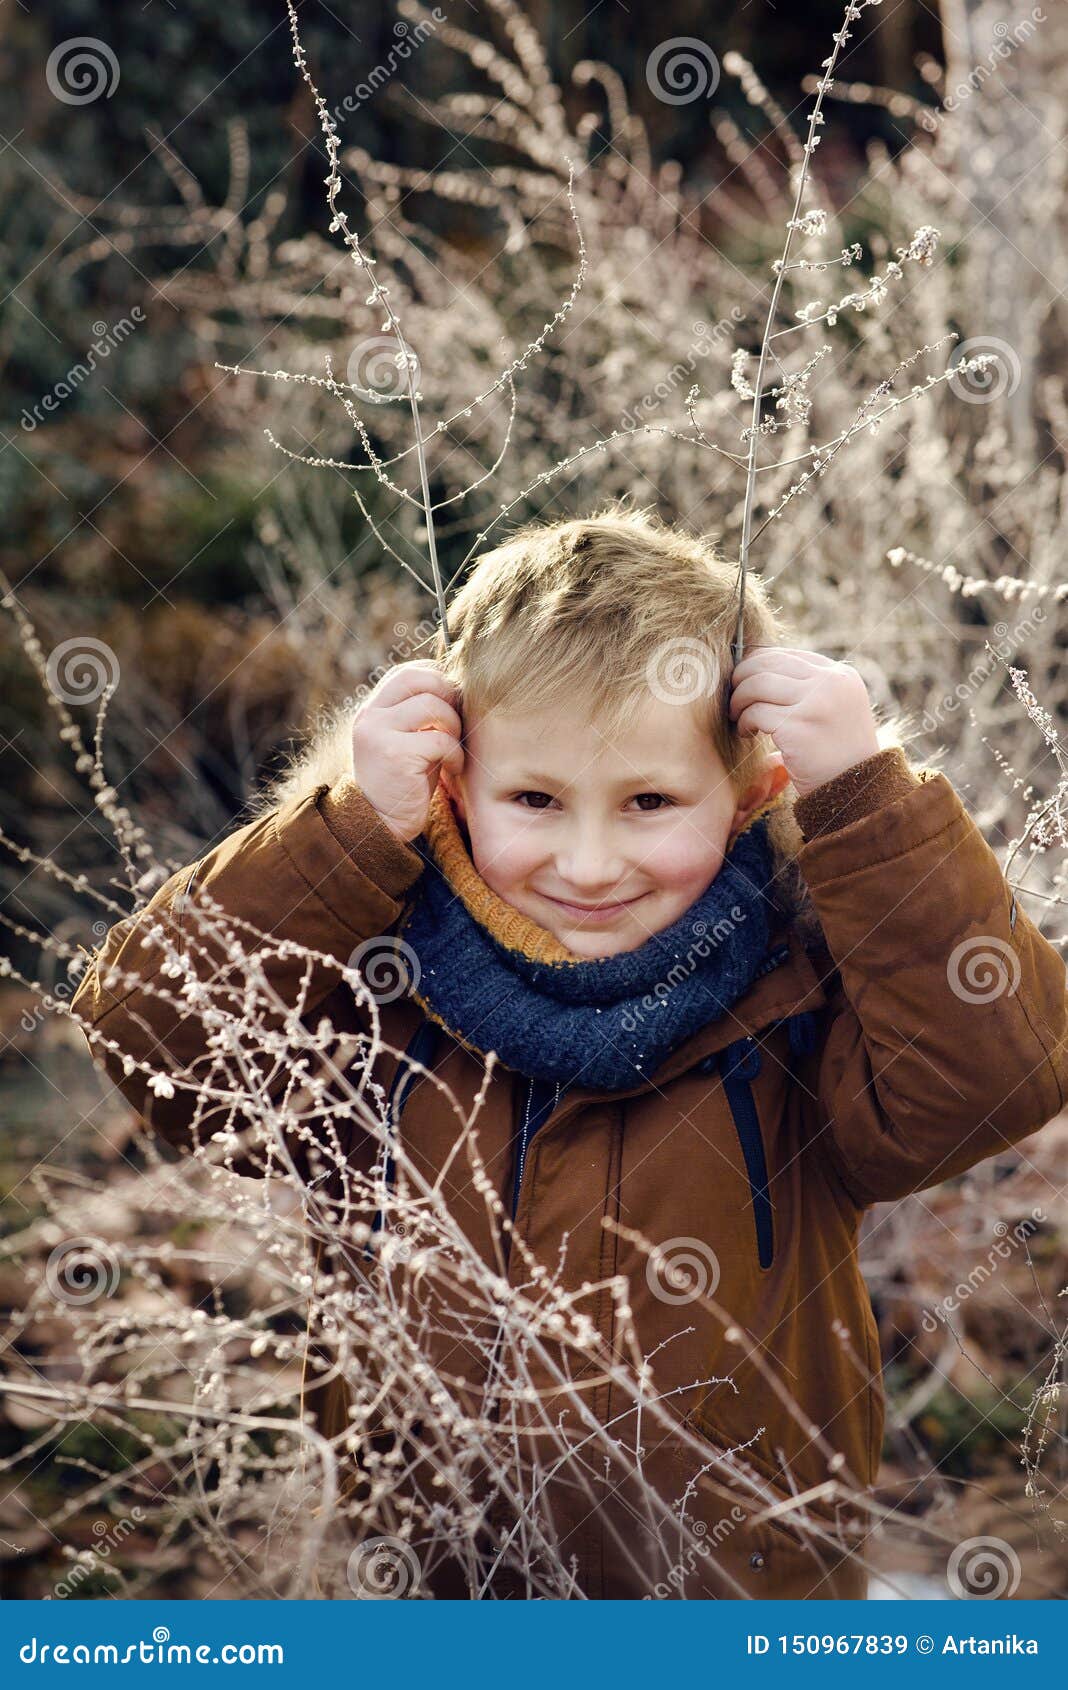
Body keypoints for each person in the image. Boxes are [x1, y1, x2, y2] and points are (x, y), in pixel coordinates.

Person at [72, 506, 1068, 1599]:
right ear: (452, 788)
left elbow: (993, 1079)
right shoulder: (373, 974)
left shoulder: (806, 983)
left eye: (649, 801)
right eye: (535, 799)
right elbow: (154, 1046)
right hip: (428, 1587)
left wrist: (869, 797)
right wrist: (345, 828)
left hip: (733, 1598)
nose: (589, 865)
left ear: (754, 791)